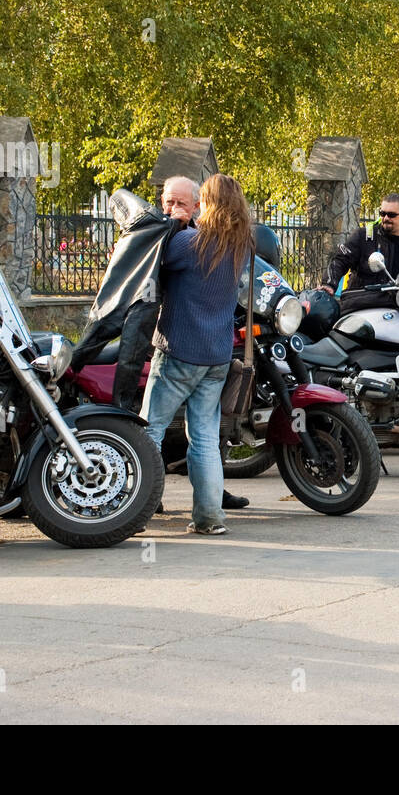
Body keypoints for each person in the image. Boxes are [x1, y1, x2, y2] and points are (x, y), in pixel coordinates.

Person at [140, 173, 253, 535]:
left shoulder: (191, 243)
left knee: (148, 431)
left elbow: (150, 262)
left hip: (179, 351)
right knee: (204, 437)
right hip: (217, 356)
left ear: (208, 204)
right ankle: (209, 519)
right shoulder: (240, 245)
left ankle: (133, 513)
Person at [321, 193, 399, 309]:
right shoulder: (365, 236)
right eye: (383, 213)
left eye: (391, 215)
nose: (386, 218)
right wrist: (329, 284)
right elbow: (340, 260)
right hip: (364, 303)